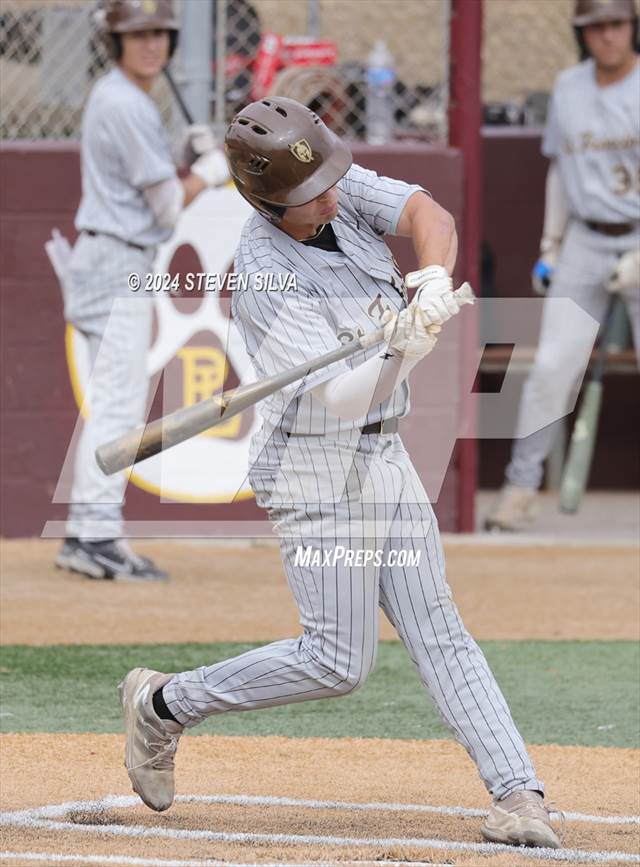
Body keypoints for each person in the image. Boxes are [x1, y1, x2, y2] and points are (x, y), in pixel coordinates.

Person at [118, 97, 562, 849]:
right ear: (265, 202)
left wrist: (427, 280)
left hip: (382, 455)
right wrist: (401, 353)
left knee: (438, 626)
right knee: (336, 661)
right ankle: (161, 704)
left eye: (331, 178)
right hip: (315, 467)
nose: (332, 195)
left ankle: (519, 794)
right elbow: (340, 398)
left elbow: (430, 214)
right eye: (310, 194)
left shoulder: (332, 184)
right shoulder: (264, 278)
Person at [55, 0, 229, 580]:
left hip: (110, 255)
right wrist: (208, 171)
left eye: (160, 35)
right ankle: (96, 536)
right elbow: (163, 204)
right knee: (119, 405)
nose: (152, 45)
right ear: (117, 43)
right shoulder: (125, 103)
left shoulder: (123, 98)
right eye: (139, 36)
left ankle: (89, 531)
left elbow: (144, 180)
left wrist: (184, 154)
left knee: (115, 400)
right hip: (115, 260)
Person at [485, 0, 640, 532]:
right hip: (585, 240)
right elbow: (559, 169)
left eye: (616, 25)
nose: (607, 37)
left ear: (632, 28)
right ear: (582, 34)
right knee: (551, 367)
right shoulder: (569, 87)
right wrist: (550, 245)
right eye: (595, 28)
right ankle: (521, 489)